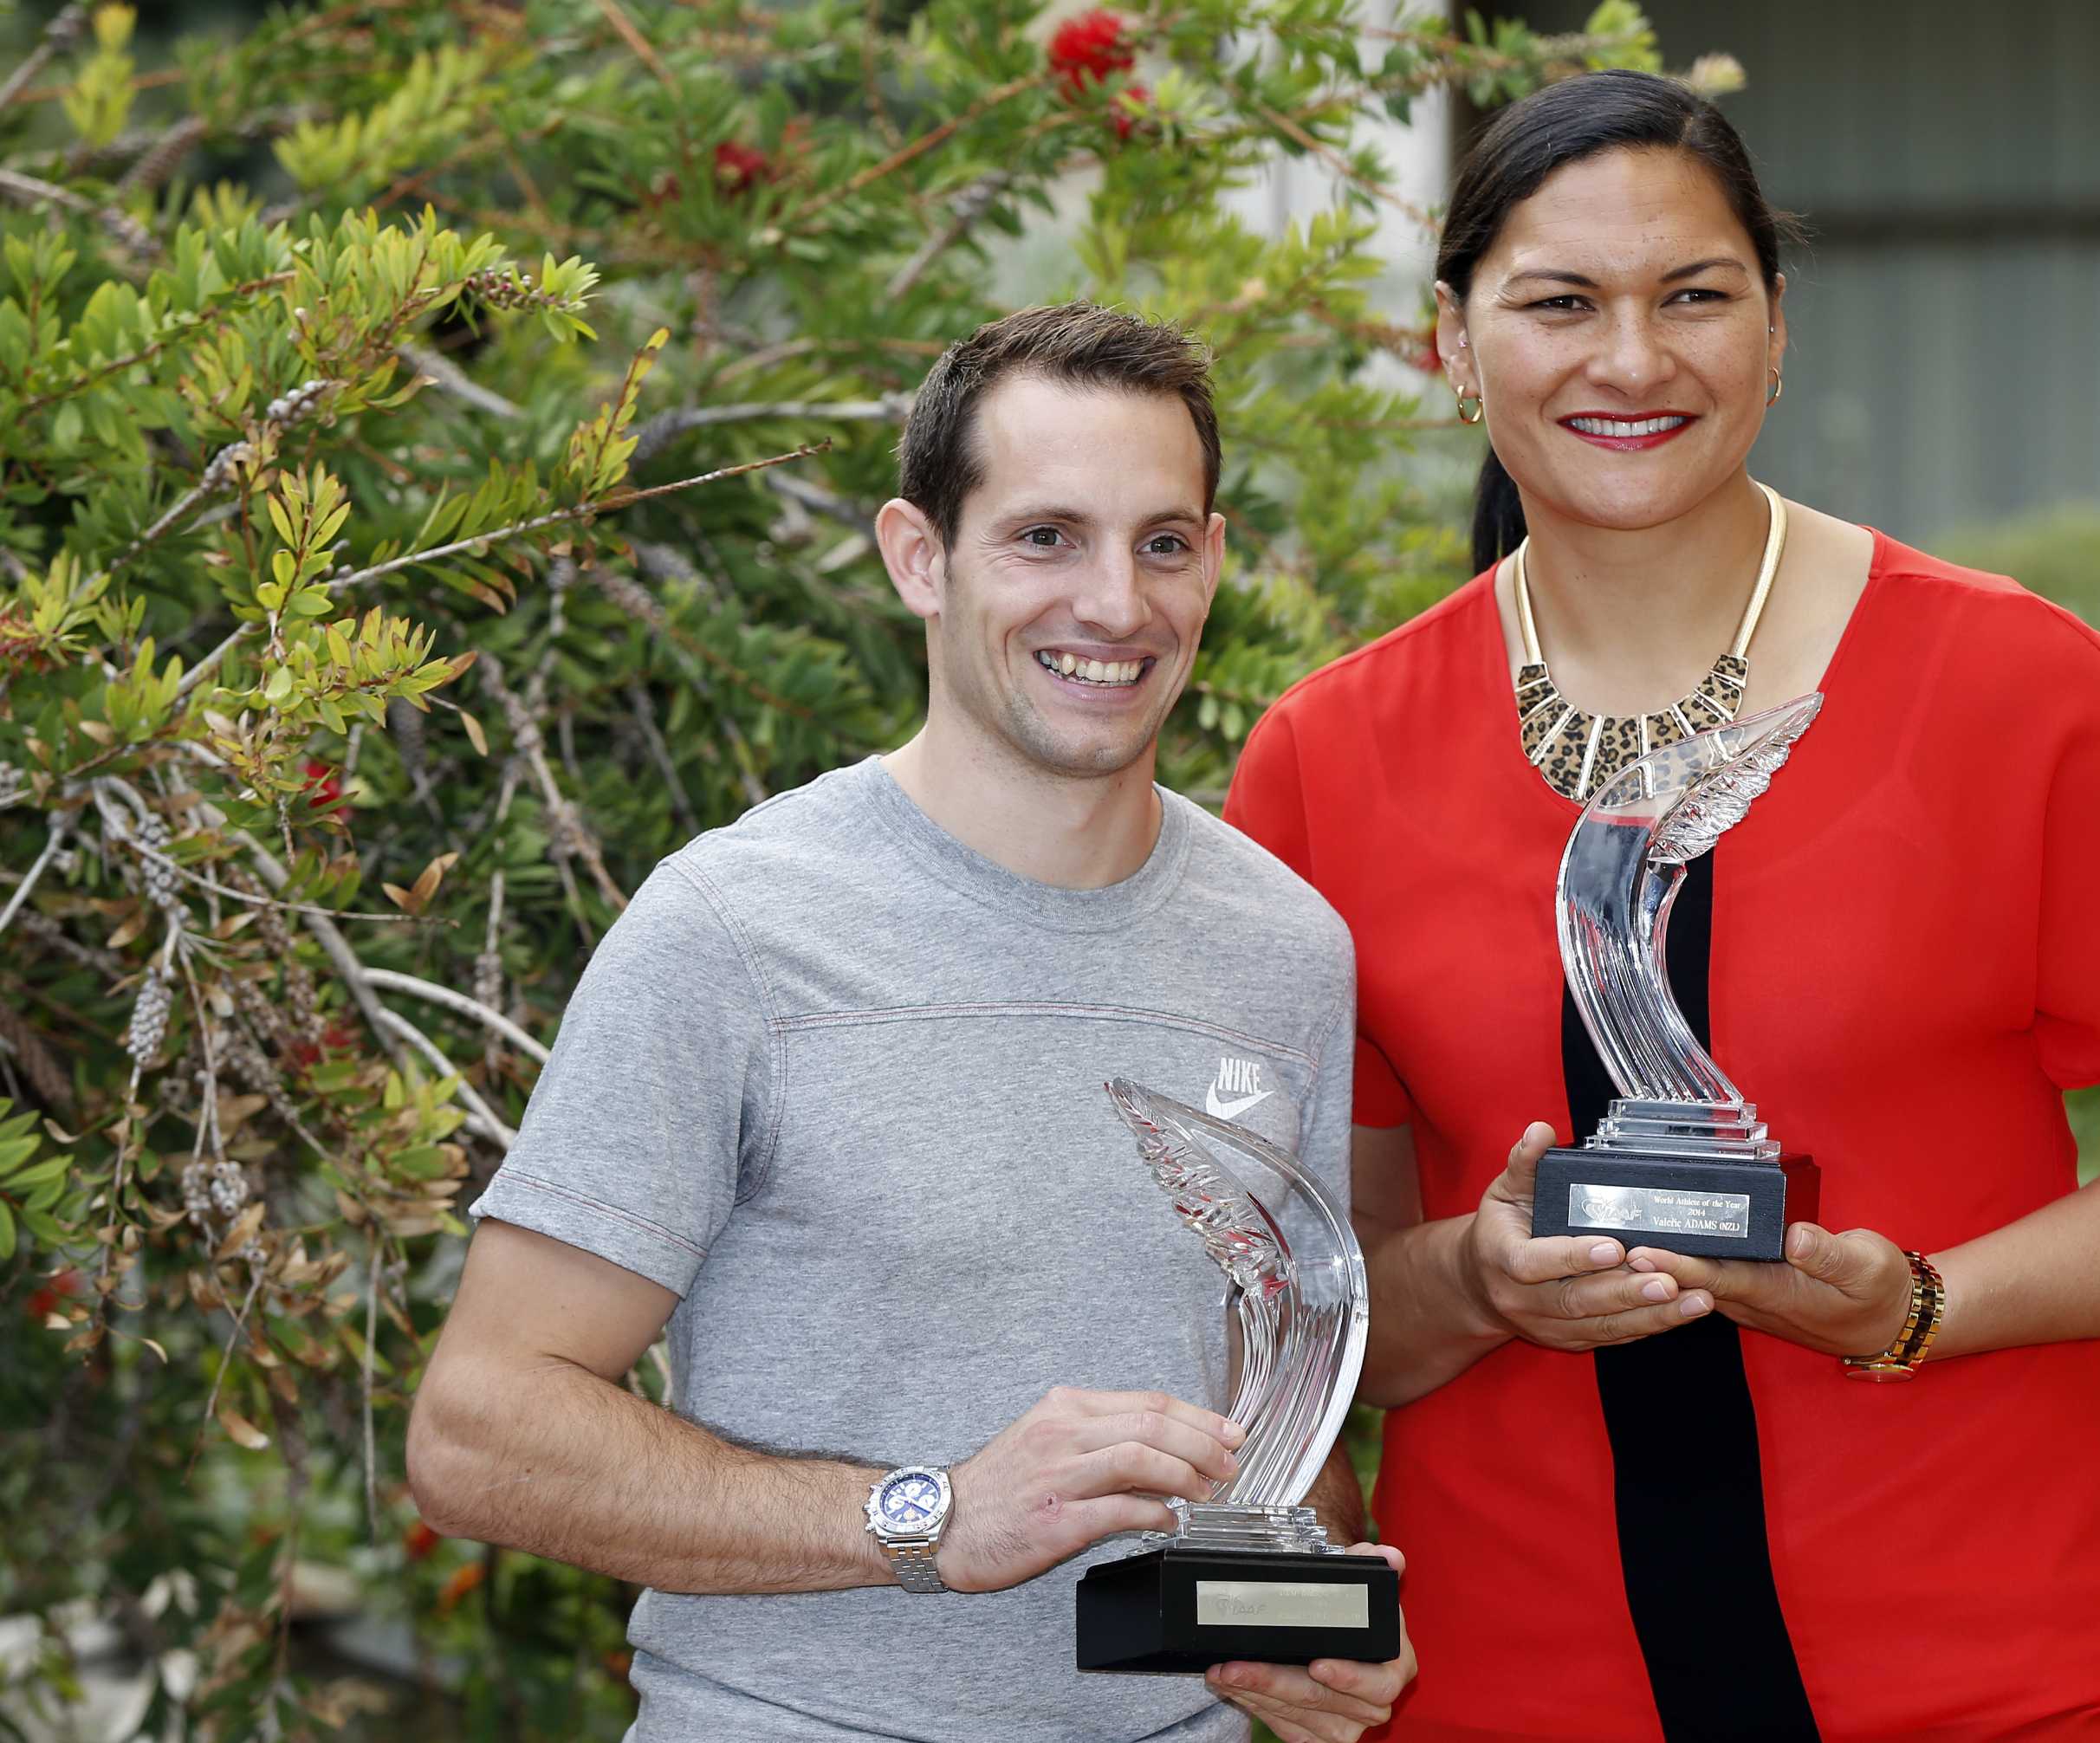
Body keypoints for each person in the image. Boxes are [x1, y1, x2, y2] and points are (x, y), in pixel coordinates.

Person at [1223, 71, 2100, 1743]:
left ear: (1775, 330)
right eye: (1559, 304)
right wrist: (1477, 1279)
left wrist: (1919, 1305)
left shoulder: (2015, 689)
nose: (1632, 358)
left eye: (1695, 296)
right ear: (1453, 345)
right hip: (1510, 1693)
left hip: (1989, 1681)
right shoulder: (1329, 757)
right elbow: (1306, 1299)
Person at [408, 301, 1416, 1743]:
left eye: (1164, 543)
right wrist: (930, 1517)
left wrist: (1317, 1622)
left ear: (1215, 562)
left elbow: (1272, 1422)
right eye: (1044, 537)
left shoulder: (1285, 952)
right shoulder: (736, 933)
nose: (1116, 605)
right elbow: (479, 1430)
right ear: (916, 558)